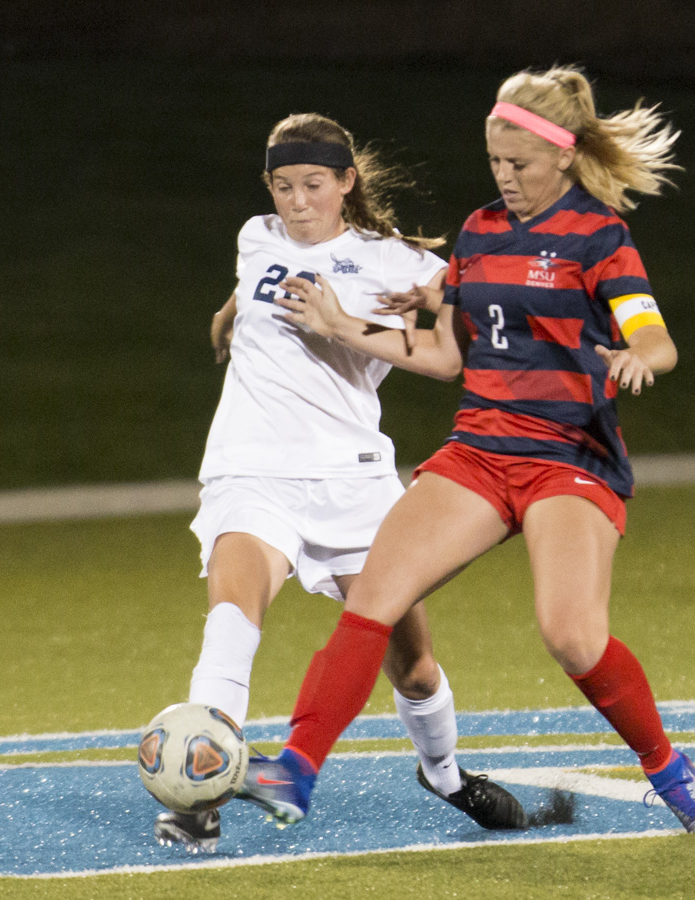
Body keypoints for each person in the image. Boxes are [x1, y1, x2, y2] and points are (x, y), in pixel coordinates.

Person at [240, 67, 695, 835]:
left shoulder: (600, 235)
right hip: (479, 449)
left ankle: (668, 769)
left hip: (568, 456)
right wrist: (351, 322)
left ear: (563, 159)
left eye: (520, 165)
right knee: (373, 598)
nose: (505, 177)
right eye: (495, 162)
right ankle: (294, 769)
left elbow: (653, 334)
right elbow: (445, 356)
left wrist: (641, 356)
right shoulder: (480, 230)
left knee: (571, 636)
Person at [159, 112, 527, 851]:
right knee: (233, 620)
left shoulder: (394, 262)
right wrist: (231, 312)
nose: (298, 202)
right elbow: (254, 283)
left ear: (346, 183)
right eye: (284, 185)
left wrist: (345, 324)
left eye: (314, 185)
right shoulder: (254, 235)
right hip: (252, 469)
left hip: (353, 482)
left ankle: (446, 774)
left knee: (413, 666)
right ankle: (194, 795)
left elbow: (450, 353)